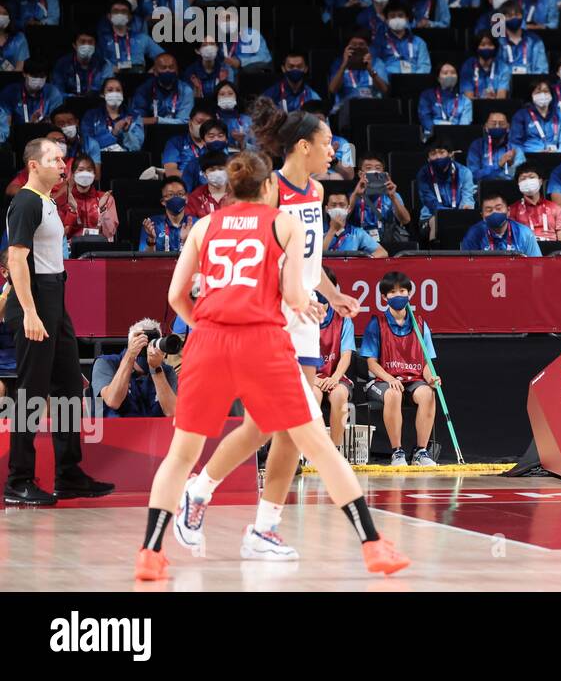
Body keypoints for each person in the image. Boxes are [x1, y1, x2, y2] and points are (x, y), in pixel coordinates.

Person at [135, 151, 405, 580]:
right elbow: (294, 294)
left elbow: (175, 297)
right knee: (315, 440)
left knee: (181, 455)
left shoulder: (204, 226)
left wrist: (205, 324)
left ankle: (150, 553)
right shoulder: (284, 224)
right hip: (262, 341)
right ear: (267, 189)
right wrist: (315, 305)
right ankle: (372, 543)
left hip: (209, 341)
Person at [172, 106, 363, 563]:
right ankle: (207, 495)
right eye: (327, 142)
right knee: (282, 426)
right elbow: (258, 257)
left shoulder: (316, 190)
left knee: (279, 430)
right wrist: (293, 298)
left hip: (305, 315)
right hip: (269, 318)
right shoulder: (270, 191)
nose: (332, 149)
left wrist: (331, 294)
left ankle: (254, 522)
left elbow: (307, 261)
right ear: (304, 146)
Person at [2, 138, 114, 505]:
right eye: (54, 159)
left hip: (55, 295)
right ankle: (18, 480)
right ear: (33, 165)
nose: (63, 164)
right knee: (30, 394)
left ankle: (69, 474)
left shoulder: (49, 201)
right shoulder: (26, 201)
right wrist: (30, 310)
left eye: (63, 158)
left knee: (69, 386)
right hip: (34, 298)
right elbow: (17, 259)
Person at [361, 272, 441, 467]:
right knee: (394, 395)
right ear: (384, 298)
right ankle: (397, 452)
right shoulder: (376, 324)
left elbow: (426, 364)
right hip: (382, 381)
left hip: (413, 379)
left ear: (409, 294)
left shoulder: (421, 324)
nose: (398, 295)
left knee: (428, 394)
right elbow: (371, 363)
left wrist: (431, 378)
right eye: (393, 292)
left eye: (402, 291)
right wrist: (390, 379)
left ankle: (420, 452)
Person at [92, 318, 178, 418]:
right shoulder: (106, 363)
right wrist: (130, 355)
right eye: (141, 343)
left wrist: (156, 369)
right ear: (130, 344)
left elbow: (172, 412)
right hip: (113, 430)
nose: (146, 347)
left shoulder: (166, 371)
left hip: (154, 431)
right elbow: (113, 401)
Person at [313, 267, 356, 451]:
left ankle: (335, 449)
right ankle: (318, 450)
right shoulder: (300, 316)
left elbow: (346, 355)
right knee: (312, 396)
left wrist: (335, 378)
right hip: (310, 377)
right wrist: (313, 379)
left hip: (335, 376)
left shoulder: (343, 319)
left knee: (339, 395)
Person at [60, 154, 117, 239]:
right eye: (81, 170)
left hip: (98, 248)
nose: (85, 174)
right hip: (72, 249)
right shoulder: (64, 199)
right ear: (73, 174)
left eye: (89, 170)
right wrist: (72, 211)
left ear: (94, 175)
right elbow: (62, 235)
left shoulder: (106, 198)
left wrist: (101, 210)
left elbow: (110, 233)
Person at [461, 195, 542, 255]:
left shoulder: (524, 233)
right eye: (489, 210)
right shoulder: (473, 234)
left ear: (508, 211)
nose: (494, 213)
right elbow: (466, 268)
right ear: (482, 216)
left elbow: (537, 266)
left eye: (498, 208)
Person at [510, 169, 561, 242]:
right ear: (518, 184)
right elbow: (511, 237)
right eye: (523, 179)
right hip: (526, 250)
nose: (528, 181)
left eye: (531, 177)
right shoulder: (512, 210)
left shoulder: (556, 208)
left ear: (540, 181)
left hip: (552, 250)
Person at [323, 192, 386, 256]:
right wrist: (332, 230)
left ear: (348, 209)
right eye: (333, 205)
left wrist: (362, 263)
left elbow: (383, 252)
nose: (338, 208)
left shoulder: (357, 233)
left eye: (342, 205)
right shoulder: (318, 230)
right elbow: (316, 256)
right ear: (326, 209)